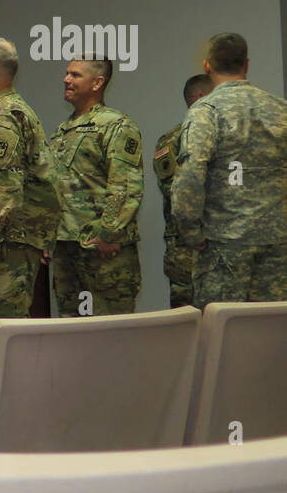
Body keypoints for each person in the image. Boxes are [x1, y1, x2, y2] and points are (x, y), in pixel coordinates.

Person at [172, 33, 287, 307]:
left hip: (224, 248)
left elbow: (190, 175)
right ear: (246, 65)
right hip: (278, 245)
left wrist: (190, 232)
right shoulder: (280, 109)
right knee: (273, 335)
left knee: (224, 335)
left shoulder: (206, 111)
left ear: (207, 66)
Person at [0, 38, 60, 342]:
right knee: (11, 331)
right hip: (17, 240)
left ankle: (11, 392)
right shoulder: (15, 109)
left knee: (2, 334)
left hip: (8, 244)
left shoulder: (2, 115)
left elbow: (3, 191)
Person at [49, 59, 144, 317]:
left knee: (109, 331)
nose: (66, 79)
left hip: (102, 252)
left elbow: (125, 184)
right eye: (67, 73)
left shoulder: (116, 125)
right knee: (73, 331)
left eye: (75, 75)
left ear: (97, 83)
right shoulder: (63, 131)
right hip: (67, 247)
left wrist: (111, 232)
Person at [153, 73, 212, 307]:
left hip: (224, 248)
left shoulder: (223, 136)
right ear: (200, 97)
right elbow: (175, 190)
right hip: (187, 250)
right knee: (189, 323)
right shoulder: (172, 141)